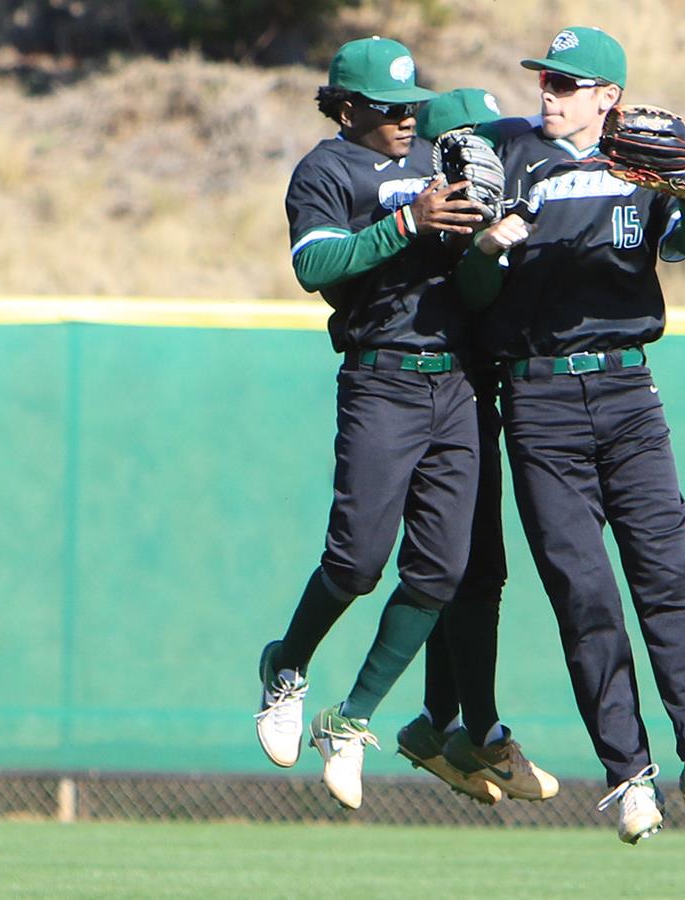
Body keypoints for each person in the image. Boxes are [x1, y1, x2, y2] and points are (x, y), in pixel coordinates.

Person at [456, 27, 685, 843]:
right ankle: (630, 776)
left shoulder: (640, 159)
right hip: (538, 399)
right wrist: (483, 247)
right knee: (583, 594)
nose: (548, 94)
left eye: (566, 84)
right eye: (545, 80)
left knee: (669, 579)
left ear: (607, 96)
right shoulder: (511, 153)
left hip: (627, 394)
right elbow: (475, 291)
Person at [253, 36, 489, 811]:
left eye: (411, 107)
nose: (405, 120)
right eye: (388, 110)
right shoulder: (325, 171)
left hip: (455, 381)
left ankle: (351, 720)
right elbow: (314, 265)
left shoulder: (432, 156)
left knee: (440, 572)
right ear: (348, 108)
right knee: (356, 564)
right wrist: (407, 224)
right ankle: (287, 666)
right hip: (382, 376)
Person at [392, 89, 559, 806]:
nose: (491, 159)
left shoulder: (484, 216)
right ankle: (478, 732)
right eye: (475, 145)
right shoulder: (424, 225)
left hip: (469, 399)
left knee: (461, 569)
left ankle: (440, 724)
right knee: (466, 569)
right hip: (430, 405)